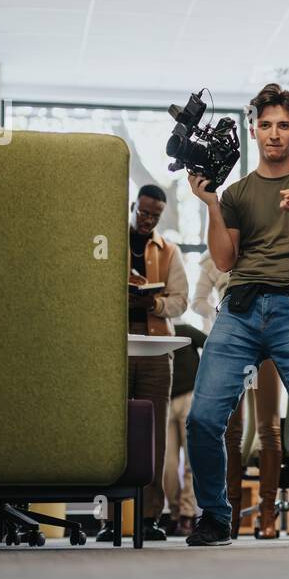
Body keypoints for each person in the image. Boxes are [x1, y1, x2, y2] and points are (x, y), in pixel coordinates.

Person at [184, 83, 289, 546]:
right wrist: (212, 205)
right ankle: (216, 517)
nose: (274, 134)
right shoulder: (236, 192)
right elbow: (223, 260)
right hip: (239, 311)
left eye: (283, 125)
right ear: (254, 131)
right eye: (265, 125)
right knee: (202, 419)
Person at [98, 184, 188, 542]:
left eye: (155, 215)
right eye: (144, 212)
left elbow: (179, 301)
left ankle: (150, 516)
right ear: (133, 206)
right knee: (111, 432)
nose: (148, 219)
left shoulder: (170, 251)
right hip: (114, 344)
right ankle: (110, 519)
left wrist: (154, 304)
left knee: (152, 436)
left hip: (154, 346)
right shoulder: (109, 244)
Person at [193, 253, 283, 538]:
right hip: (232, 340)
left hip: (268, 341)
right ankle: (228, 513)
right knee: (230, 430)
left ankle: (268, 512)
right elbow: (197, 301)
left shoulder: (265, 246)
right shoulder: (214, 259)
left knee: (268, 427)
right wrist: (216, 311)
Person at [164, 322, 207, 536]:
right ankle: (176, 513)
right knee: (168, 465)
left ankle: (186, 514)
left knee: (189, 462)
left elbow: (211, 344)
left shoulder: (185, 331)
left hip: (189, 397)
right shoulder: (160, 333)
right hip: (166, 400)